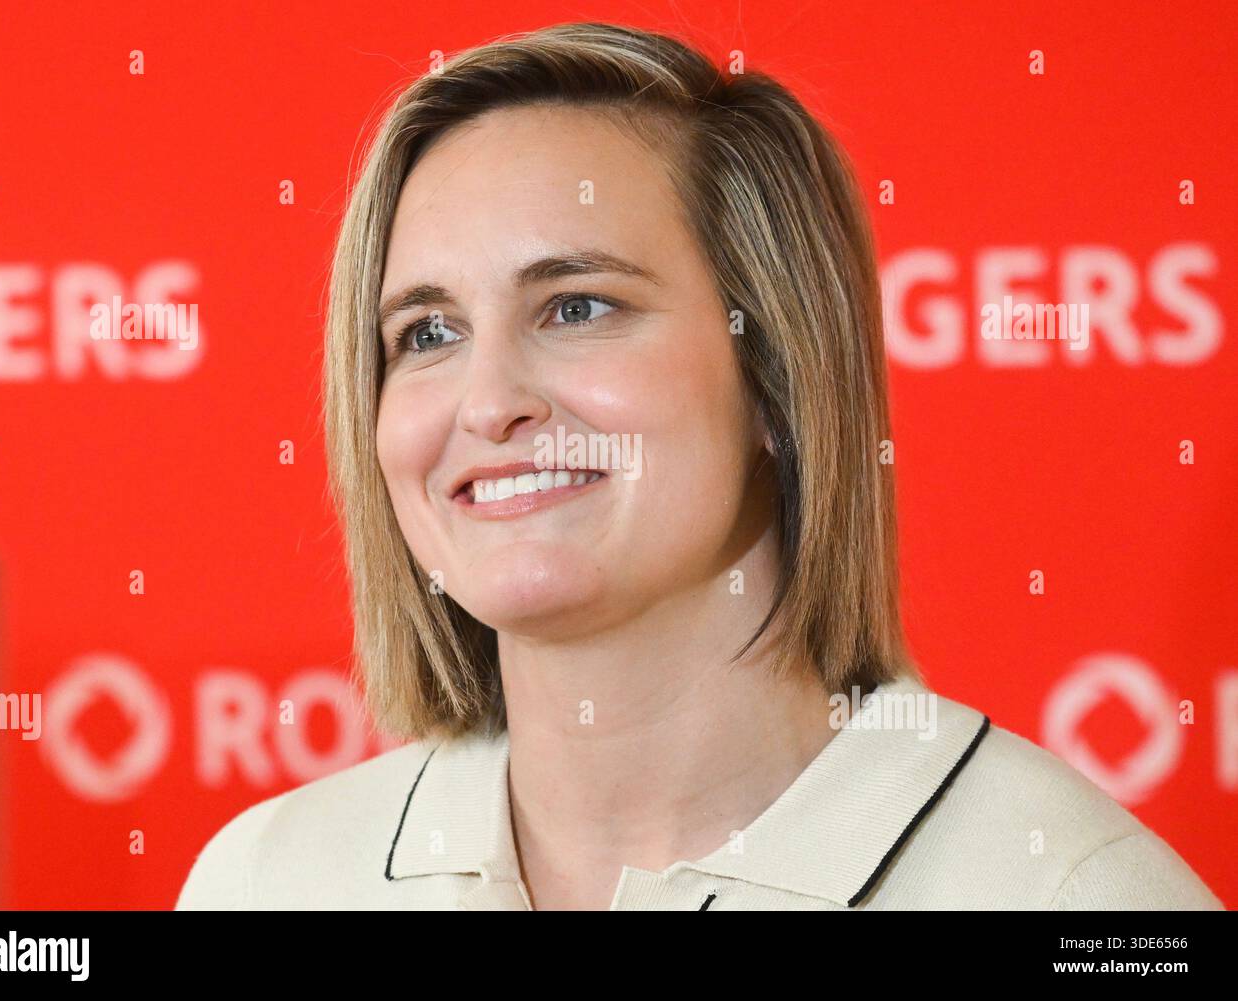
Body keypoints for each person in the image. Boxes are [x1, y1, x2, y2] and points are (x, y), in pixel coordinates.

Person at [176, 21, 1223, 911]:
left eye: (577, 306)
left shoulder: (1075, 896)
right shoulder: (266, 882)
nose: (488, 401)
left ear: (772, 373)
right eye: (427, 332)